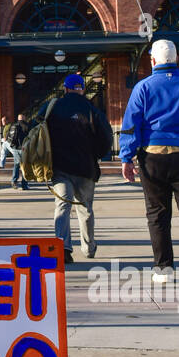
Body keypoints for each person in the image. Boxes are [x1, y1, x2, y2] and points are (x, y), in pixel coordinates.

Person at [119, 38, 179, 287]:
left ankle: (163, 268)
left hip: (153, 156)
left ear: (152, 60)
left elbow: (131, 124)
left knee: (157, 213)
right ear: (175, 59)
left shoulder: (143, 87)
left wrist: (126, 157)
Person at [36, 73, 113, 263]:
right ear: (82, 89)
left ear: (66, 89)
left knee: (62, 206)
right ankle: (88, 248)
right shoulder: (91, 109)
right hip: (86, 167)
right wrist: (96, 154)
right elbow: (106, 138)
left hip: (59, 166)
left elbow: (35, 127)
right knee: (85, 208)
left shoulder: (53, 107)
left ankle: (62, 249)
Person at [6, 113, 30, 189]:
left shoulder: (13, 125)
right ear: (24, 118)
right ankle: (24, 185)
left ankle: (14, 181)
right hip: (24, 148)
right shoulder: (27, 126)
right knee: (24, 166)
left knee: (16, 165)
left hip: (15, 148)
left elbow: (7, 136)